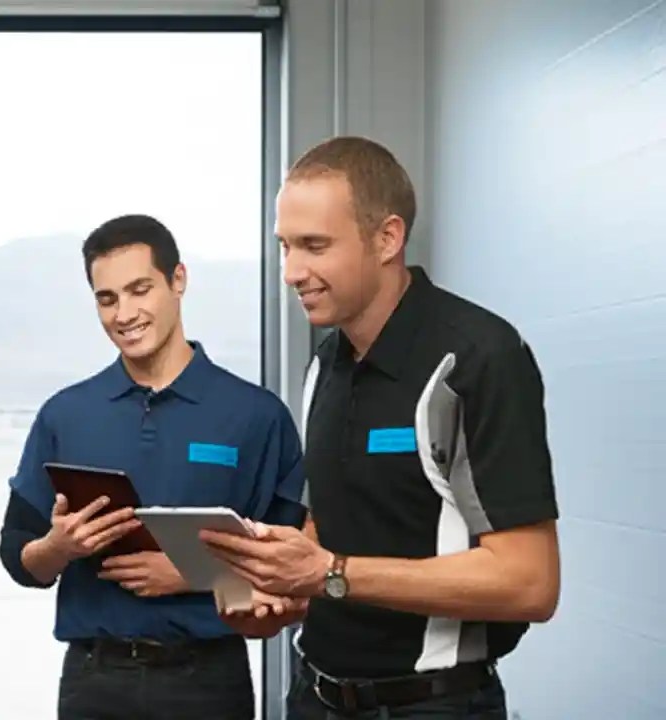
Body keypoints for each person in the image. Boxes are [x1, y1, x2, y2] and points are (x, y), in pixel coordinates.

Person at [201, 136, 561, 719]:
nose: (292, 272)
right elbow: (333, 528)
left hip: (431, 704)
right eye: (285, 247)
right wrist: (278, 588)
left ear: (387, 238)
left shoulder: (476, 358)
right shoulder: (325, 361)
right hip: (313, 696)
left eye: (315, 246)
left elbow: (531, 583)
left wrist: (330, 574)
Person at [0, 213, 307, 720]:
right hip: (93, 682)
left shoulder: (256, 416)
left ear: (177, 281)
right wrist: (59, 548)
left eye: (140, 289)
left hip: (209, 682)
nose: (124, 313)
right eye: (107, 298)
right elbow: (17, 558)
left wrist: (191, 574)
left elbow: (292, 569)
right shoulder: (65, 414)